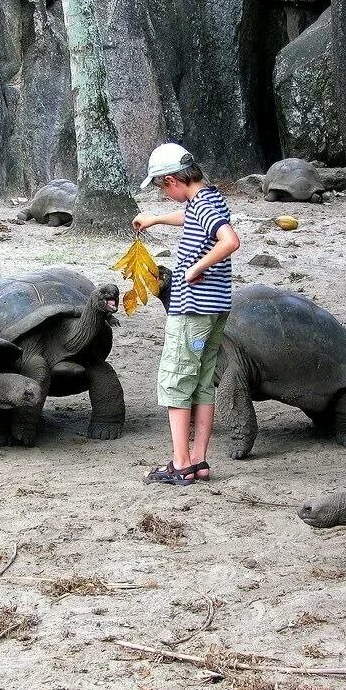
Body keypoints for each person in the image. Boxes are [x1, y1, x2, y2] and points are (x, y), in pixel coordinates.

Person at [132, 143, 240, 485]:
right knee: (203, 382)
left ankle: (180, 463)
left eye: (163, 189)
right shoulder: (209, 198)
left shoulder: (202, 204)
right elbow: (196, 218)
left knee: (177, 381)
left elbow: (229, 240)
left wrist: (196, 268)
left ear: (171, 181)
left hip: (192, 309)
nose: (166, 196)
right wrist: (157, 219)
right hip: (215, 308)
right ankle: (199, 461)